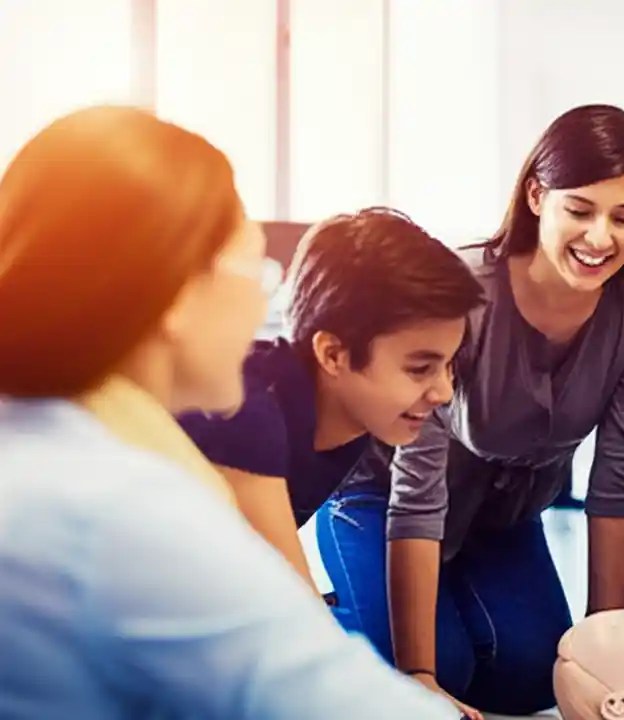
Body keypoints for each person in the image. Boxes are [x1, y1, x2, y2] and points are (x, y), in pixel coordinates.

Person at [0, 106, 459, 718]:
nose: (265, 303)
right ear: (180, 296)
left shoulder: (40, 444)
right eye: (257, 266)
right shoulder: (121, 510)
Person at [315, 103, 624, 716]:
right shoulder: (466, 290)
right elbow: (417, 483)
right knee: (439, 670)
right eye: (580, 209)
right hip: (383, 499)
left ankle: (444, 616)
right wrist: (422, 673)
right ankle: (328, 622)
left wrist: (605, 656)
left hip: (501, 514)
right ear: (538, 195)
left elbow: (622, 471)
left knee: (542, 675)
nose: (601, 238)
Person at [176, 207, 486, 716]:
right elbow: (296, 628)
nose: (443, 391)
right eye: (420, 368)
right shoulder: (247, 412)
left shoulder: (350, 416)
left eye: (449, 365)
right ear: (333, 354)